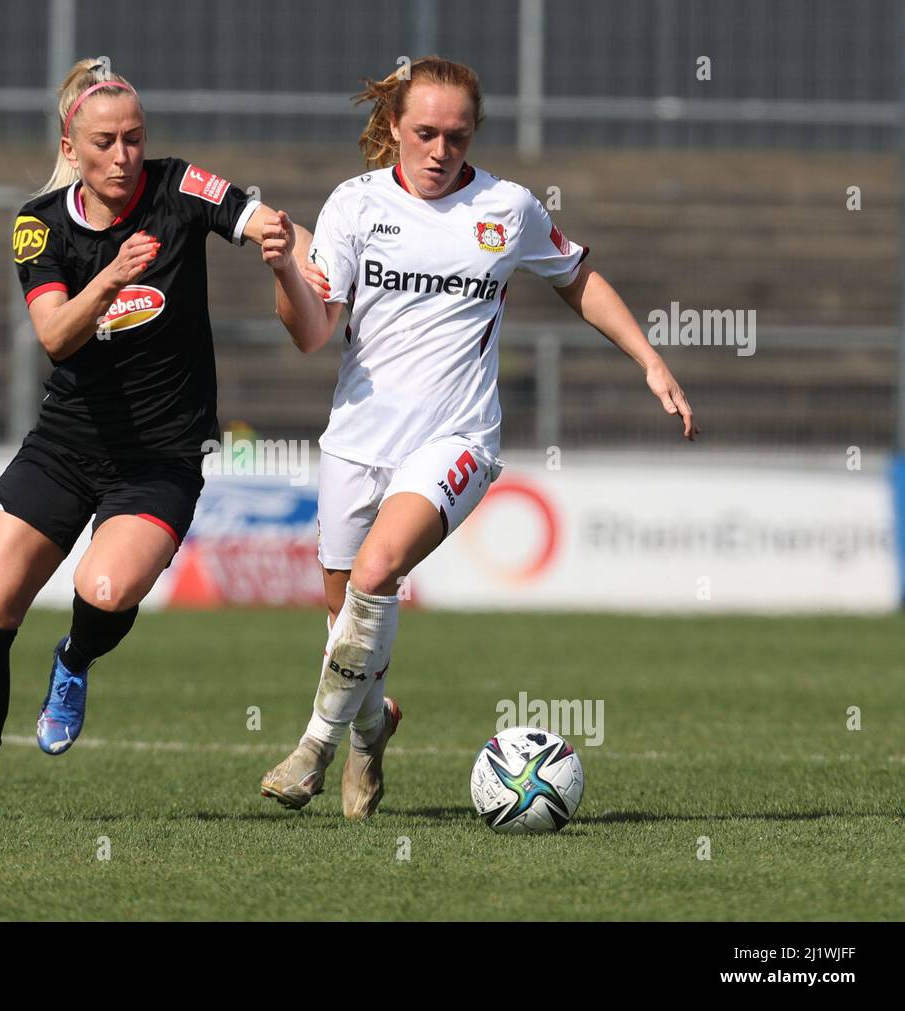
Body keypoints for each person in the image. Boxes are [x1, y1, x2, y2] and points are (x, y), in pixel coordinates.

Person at [259, 57, 701, 820]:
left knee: (378, 569)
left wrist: (649, 358)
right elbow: (311, 332)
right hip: (357, 441)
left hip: (457, 437)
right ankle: (371, 725)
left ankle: (313, 748)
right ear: (394, 126)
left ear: (474, 134)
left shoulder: (508, 207)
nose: (440, 151)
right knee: (344, 619)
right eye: (425, 132)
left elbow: (576, 278)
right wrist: (282, 275)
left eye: (456, 136)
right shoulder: (354, 205)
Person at [0, 59, 304, 823]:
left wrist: (287, 240)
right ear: (71, 146)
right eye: (105, 142)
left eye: (134, 138)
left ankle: (73, 659)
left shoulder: (177, 187)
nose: (124, 155)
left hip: (161, 456)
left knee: (105, 590)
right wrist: (109, 279)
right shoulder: (39, 223)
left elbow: (257, 217)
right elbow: (55, 336)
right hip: (64, 445)